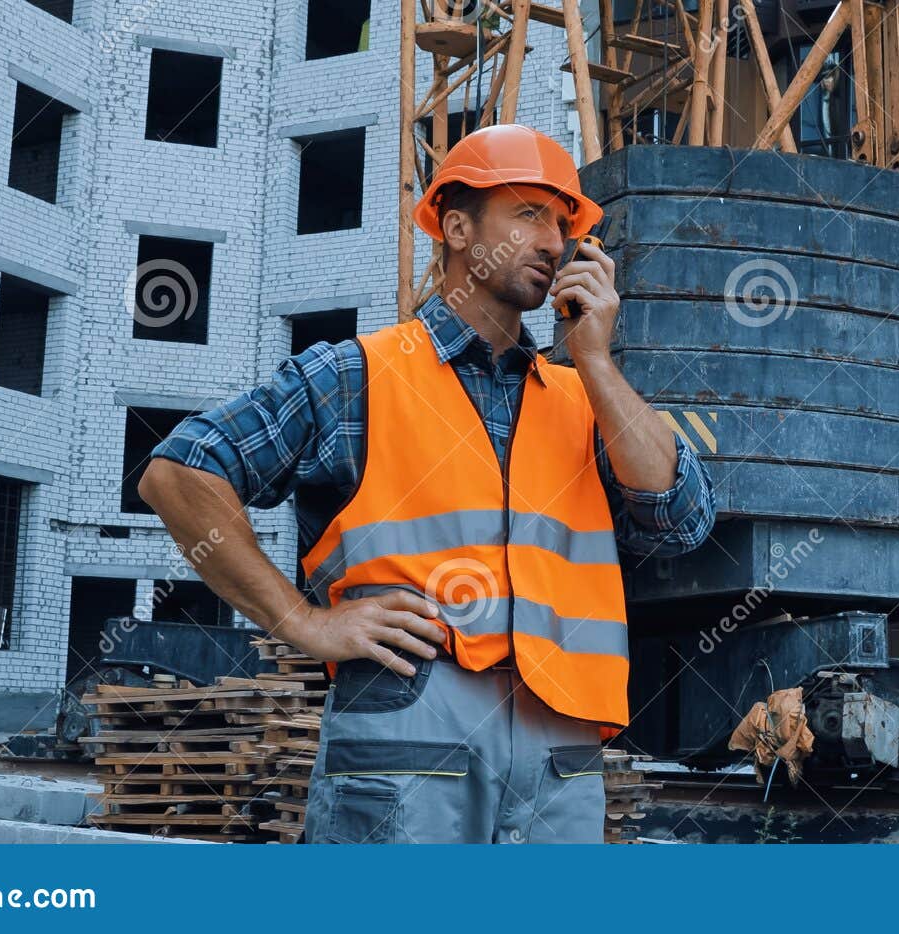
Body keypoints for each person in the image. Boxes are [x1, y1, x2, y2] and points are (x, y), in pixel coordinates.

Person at [138, 124, 716, 843]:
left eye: (563, 226)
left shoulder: (583, 396)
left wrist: (596, 360)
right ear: (457, 227)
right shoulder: (358, 376)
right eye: (529, 215)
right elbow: (179, 473)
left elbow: (682, 521)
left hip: (559, 755)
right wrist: (301, 622)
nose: (553, 243)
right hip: (410, 733)